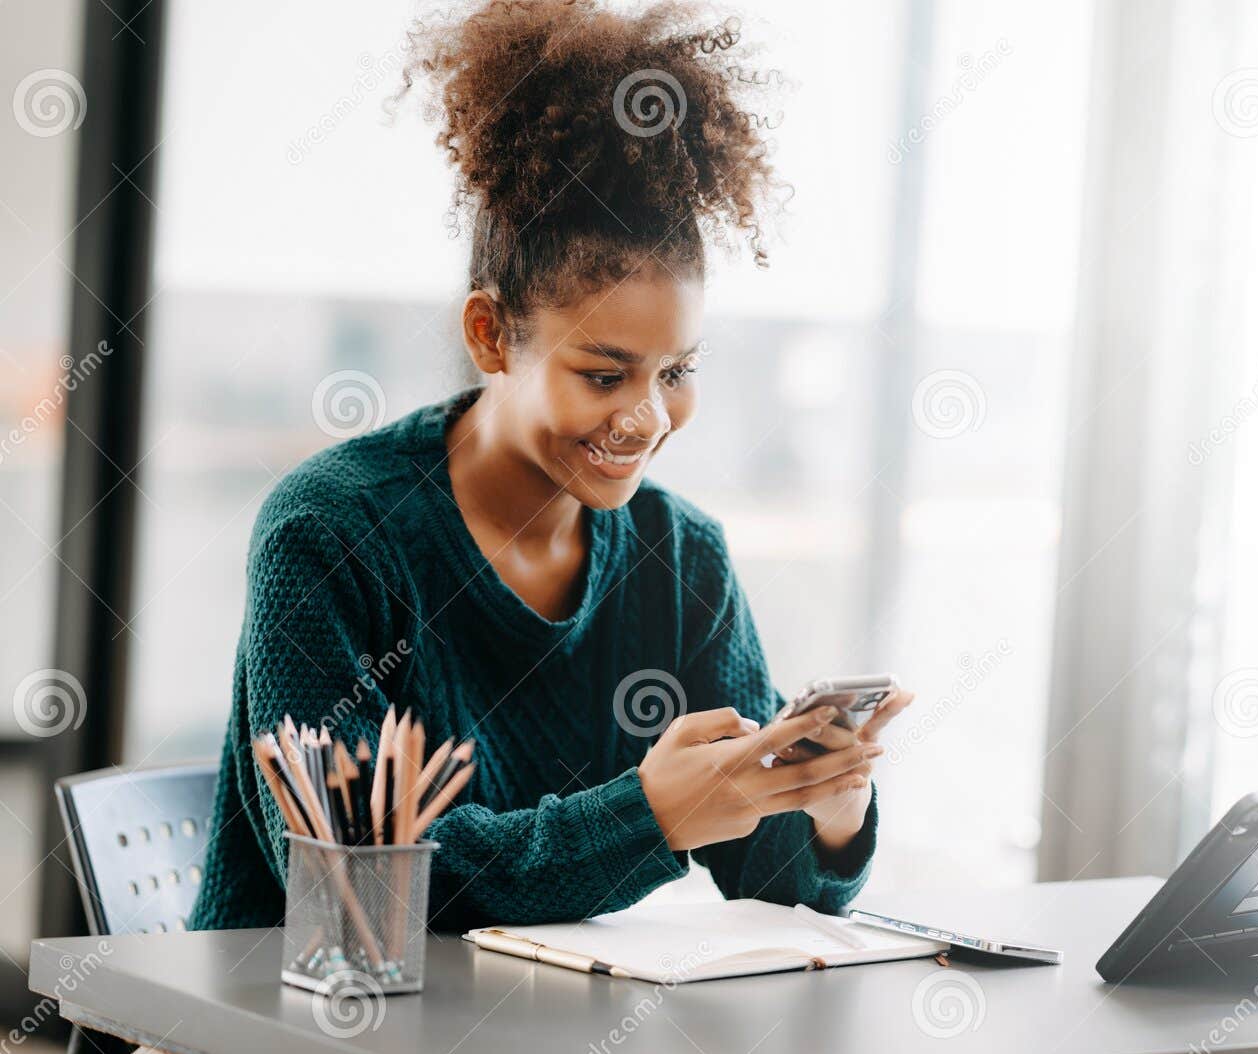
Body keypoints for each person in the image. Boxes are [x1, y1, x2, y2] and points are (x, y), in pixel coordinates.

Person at [189, 0, 912, 933]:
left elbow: (776, 884)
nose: (648, 418)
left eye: (679, 372)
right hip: (294, 1039)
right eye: (605, 373)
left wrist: (828, 800)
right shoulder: (332, 532)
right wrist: (649, 815)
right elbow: (350, 877)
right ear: (491, 336)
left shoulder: (680, 557)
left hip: (526, 1046)